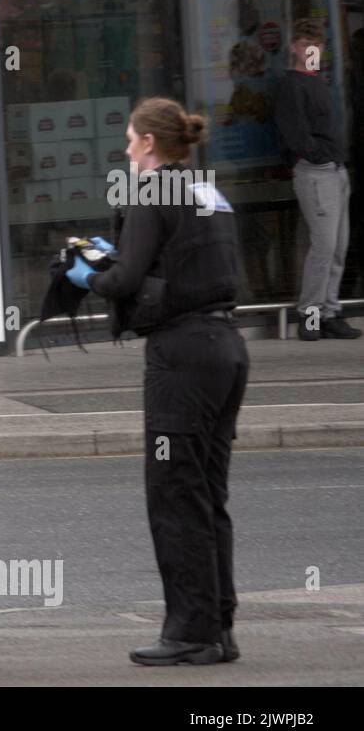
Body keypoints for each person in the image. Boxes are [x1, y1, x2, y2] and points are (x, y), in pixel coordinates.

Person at [66, 98, 249, 666]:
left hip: (183, 356)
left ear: (148, 142)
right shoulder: (206, 190)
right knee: (206, 492)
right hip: (227, 349)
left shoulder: (150, 191)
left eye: (128, 139)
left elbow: (125, 278)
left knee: (173, 492)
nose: (124, 149)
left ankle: (189, 630)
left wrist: (81, 270)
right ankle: (218, 626)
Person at [274, 19, 361, 341]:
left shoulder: (318, 81)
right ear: (294, 48)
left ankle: (330, 312)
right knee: (323, 247)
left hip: (336, 172)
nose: (313, 49)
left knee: (338, 248)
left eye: (318, 44)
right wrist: (319, 156)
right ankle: (309, 317)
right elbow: (295, 134)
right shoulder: (291, 84)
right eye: (305, 43)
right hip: (317, 173)